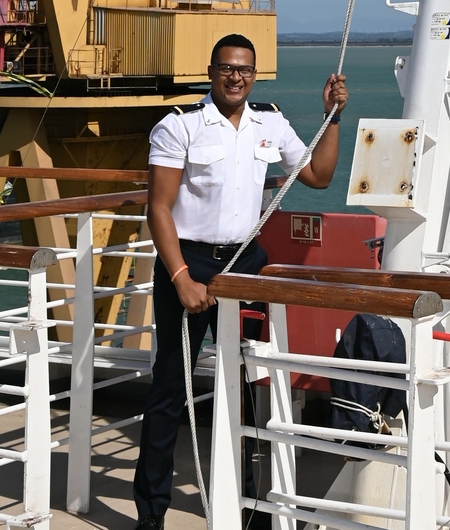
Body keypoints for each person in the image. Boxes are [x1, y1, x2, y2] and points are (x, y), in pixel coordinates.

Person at [133, 33, 348, 528]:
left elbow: (318, 175)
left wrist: (333, 117)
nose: (236, 77)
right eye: (227, 68)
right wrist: (181, 278)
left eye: (245, 70)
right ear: (211, 72)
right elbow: (158, 208)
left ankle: (250, 505)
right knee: (171, 387)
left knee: (250, 385)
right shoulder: (180, 125)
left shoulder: (269, 122)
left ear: (254, 75)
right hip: (187, 263)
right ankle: (150, 513)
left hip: (245, 265)